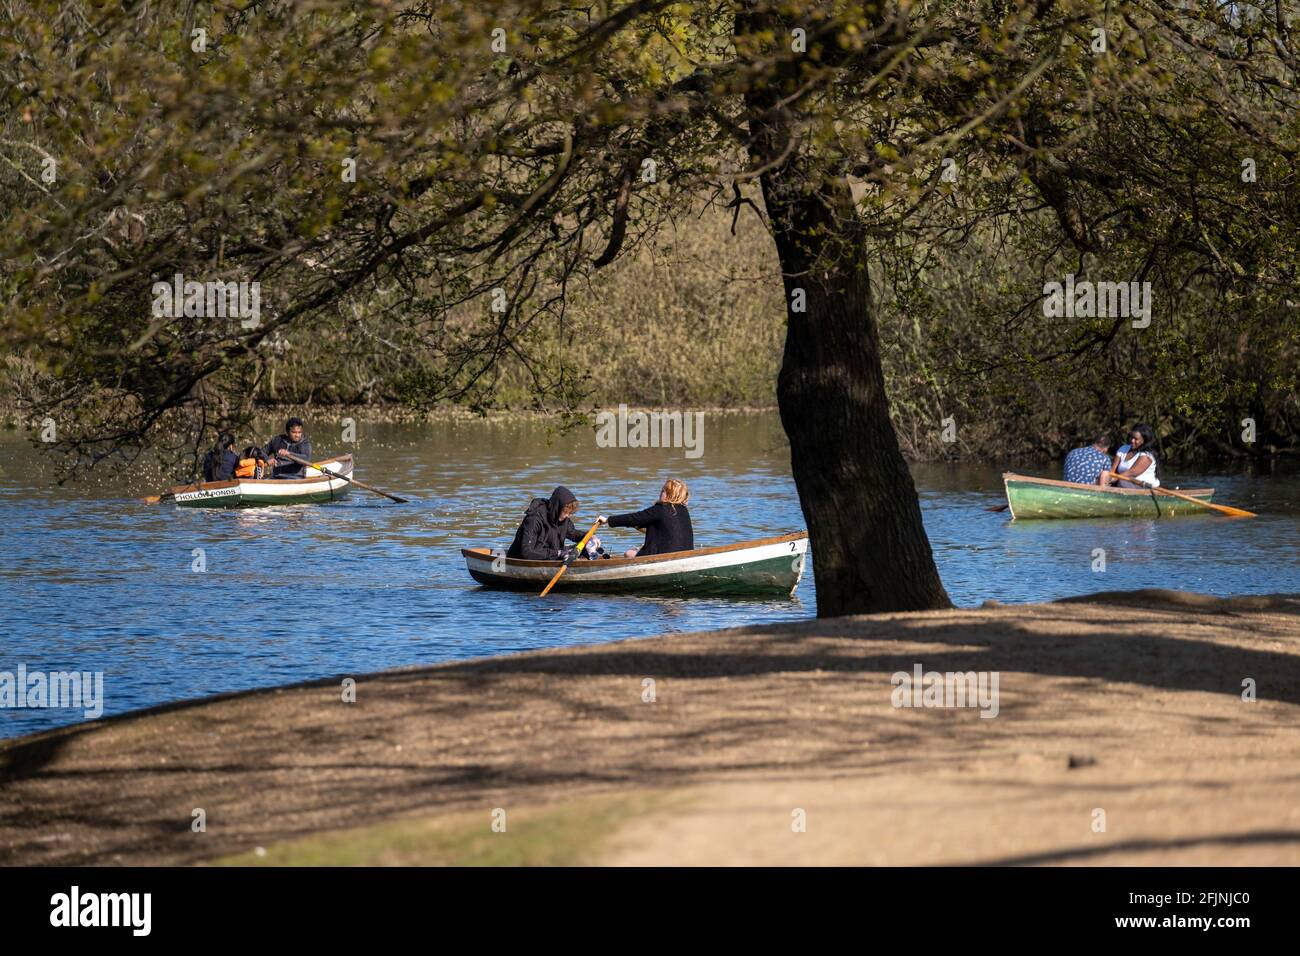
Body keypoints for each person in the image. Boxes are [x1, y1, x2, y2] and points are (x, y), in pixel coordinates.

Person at [598, 478, 694, 558]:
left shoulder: (660, 509)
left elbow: (633, 518)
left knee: (628, 553)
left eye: (663, 490)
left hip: (662, 557)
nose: (660, 493)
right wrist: (637, 526)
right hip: (686, 556)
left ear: (668, 494)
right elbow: (666, 531)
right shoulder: (684, 511)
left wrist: (608, 520)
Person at [507, 486, 591, 561]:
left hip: (550, 555)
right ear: (557, 507)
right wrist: (559, 553)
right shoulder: (534, 520)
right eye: (565, 512)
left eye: (570, 513)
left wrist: (589, 536)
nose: (567, 516)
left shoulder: (563, 520)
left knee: (584, 548)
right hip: (522, 559)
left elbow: (574, 534)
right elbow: (526, 552)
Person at [1105, 423, 1160, 488]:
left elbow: (1131, 473)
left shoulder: (1147, 456)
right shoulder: (1123, 449)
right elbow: (1112, 469)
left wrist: (1115, 479)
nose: (1132, 440)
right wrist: (1106, 478)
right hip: (1123, 485)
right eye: (1131, 437)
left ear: (1144, 440)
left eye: (1136, 439)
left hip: (1144, 488)